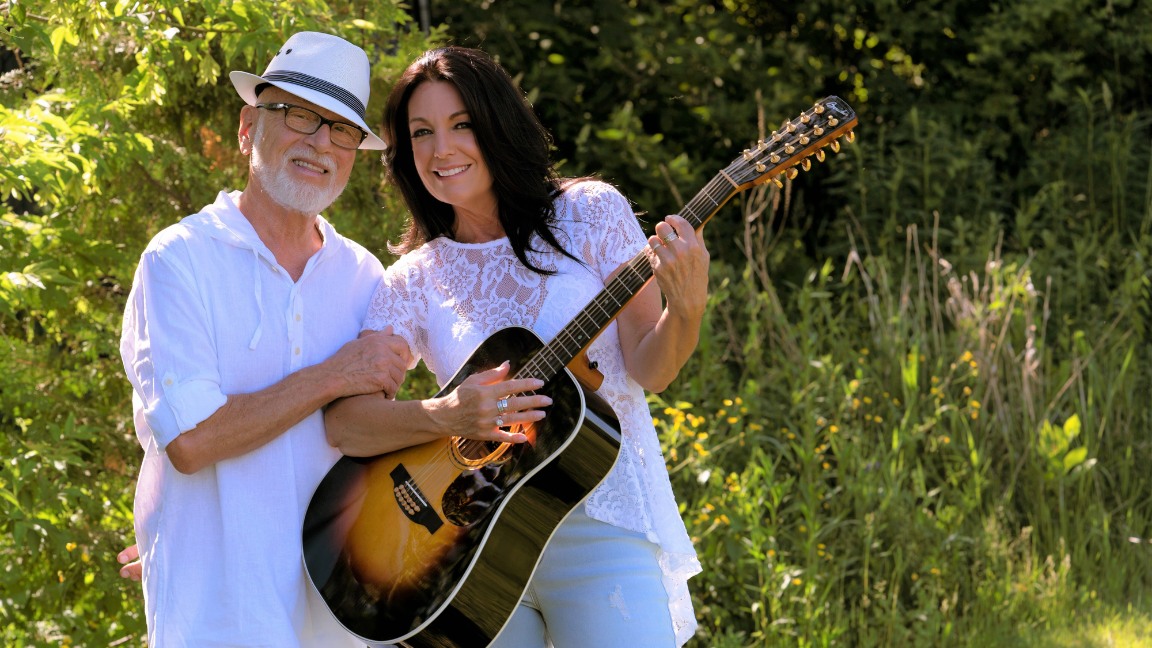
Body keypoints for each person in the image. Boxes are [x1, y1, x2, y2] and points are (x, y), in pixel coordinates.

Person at [323, 46, 709, 646]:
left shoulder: (591, 213)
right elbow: (349, 425)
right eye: (420, 132)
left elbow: (650, 369)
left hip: (602, 522)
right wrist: (447, 414)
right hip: (469, 552)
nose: (440, 149)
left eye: (461, 125)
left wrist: (686, 307)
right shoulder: (411, 279)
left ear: (497, 122)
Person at [118, 31, 413, 646]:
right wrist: (336, 374)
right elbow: (194, 442)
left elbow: (371, 444)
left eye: (341, 129)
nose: (320, 143)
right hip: (216, 607)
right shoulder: (179, 259)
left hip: (338, 613)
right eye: (300, 116)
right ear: (249, 126)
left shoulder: (364, 277)